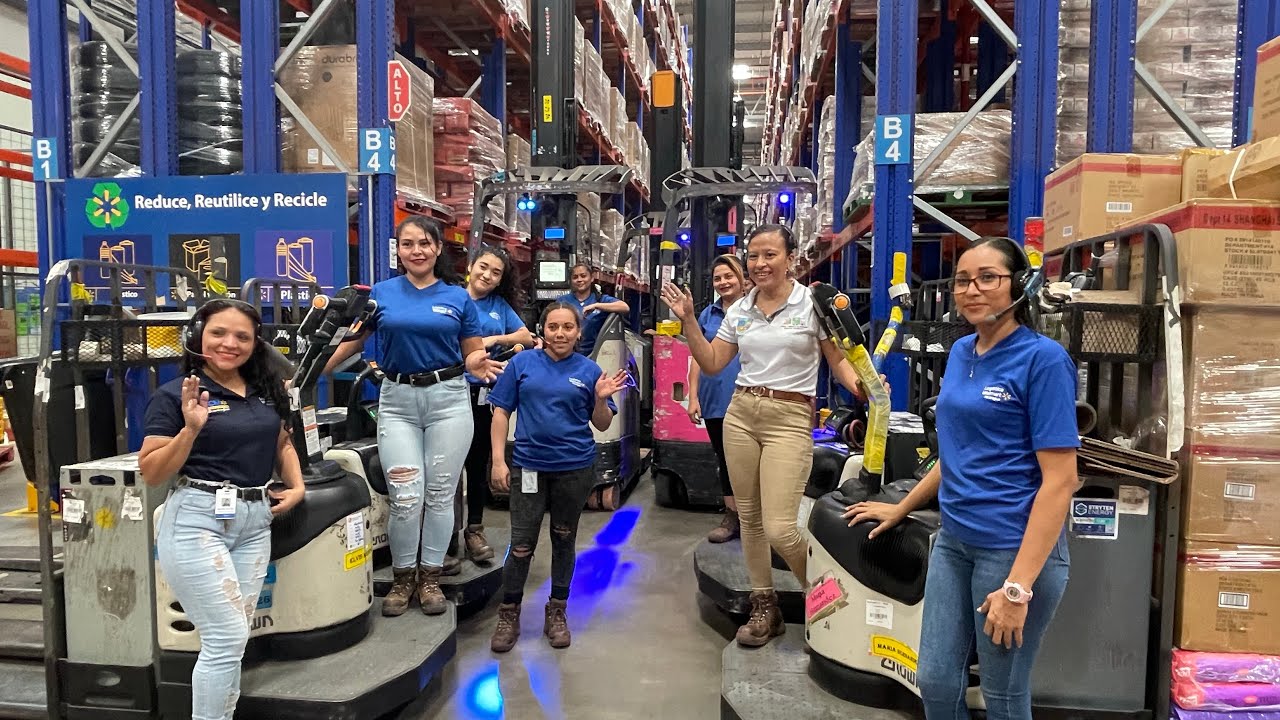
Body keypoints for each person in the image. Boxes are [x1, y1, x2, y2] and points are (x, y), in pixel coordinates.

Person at [843, 236, 1079, 720]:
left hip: (1011, 547)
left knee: (1003, 693)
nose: (973, 290)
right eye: (963, 281)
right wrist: (903, 505)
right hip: (955, 541)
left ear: (1019, 285)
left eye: (988, 278)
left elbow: (1060, 481)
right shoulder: (962, 353)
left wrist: (1017, 588)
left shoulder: (1043, 360)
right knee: (934, 679)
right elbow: (957, 454)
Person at [660, 224, 871, 648]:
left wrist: (865, 385)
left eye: (770, 254)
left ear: (791, 257)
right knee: (750, 519)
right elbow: (715, 362)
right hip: (741, 413)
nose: (760, 264)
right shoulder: (740, 309)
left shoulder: (812, 303)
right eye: (753, 256)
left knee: (780, 528)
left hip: (790, 416)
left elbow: (838, 360)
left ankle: (829, 596)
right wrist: (687, 322)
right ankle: (765, 606)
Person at [324, 216, 502, 617]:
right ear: (398, 251)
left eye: (424, 243)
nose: (416, 251)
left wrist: (478, 364)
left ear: (438, 248)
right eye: (408, 244)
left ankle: (431, 578)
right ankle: (404, 577)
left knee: (440, 496)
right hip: (398, 401)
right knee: (406, 497)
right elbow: (354, 342)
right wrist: (315, 371)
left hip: (449, 400)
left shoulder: (457, 298)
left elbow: (472, 350)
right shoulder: (381, 295)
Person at [139, 299, 304, 720]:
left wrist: (297, 484)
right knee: (226, 636)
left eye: (242, 337)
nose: (229, 344)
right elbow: (153, 471)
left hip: (254, 519)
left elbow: (281, 441)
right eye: (218, 333)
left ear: (255, 344)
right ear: (198, 336)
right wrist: (191, 429)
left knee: (233, 638)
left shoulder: (265, 391)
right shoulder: (175, 395)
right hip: (198, 518)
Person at [486, 302, 627, 653]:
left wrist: (600, 399)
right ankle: (509, 612)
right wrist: (499, 461)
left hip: (575, 468)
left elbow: (602, 423)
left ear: (578, 332)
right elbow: (501, 411)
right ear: (543, 330)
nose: (560, 333)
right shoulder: (521, 364)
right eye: (553, 327)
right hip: (529, 466)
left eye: (567, 327)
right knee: (521, 544)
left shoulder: (590, 370)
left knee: (564, 537)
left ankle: (557, 611)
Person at [460, 244, 534, 563]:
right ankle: (442, 536)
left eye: (496, 273)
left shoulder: (498, 306)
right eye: (484, 267)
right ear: (471, 266)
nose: (487, 275)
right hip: (447, 392)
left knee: (476, 464)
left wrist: (493, 340)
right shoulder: (451, 298)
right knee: (444, 469)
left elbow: (526, 337)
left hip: (481, 396)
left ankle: (473, 529)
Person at [685, 254, 747, 543]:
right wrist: (693, 396)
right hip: (714, 397)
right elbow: (698, 356)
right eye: (718, 278)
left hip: (747, 398)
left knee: (751, 461)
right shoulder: (708, 315)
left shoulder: (755, 309)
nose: (723, 282)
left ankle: (754, 520)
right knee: (725, 460)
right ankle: (732, 517)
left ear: (742, 277)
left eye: (729, 276)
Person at [558, 263, 630, 355]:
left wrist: (597, 306)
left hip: (594, 354)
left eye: (583, 276)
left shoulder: (600, 299)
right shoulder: (563, 301)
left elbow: (624, 307)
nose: (579, 280)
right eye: (575, 277)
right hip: (567, 353)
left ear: (591, 278)